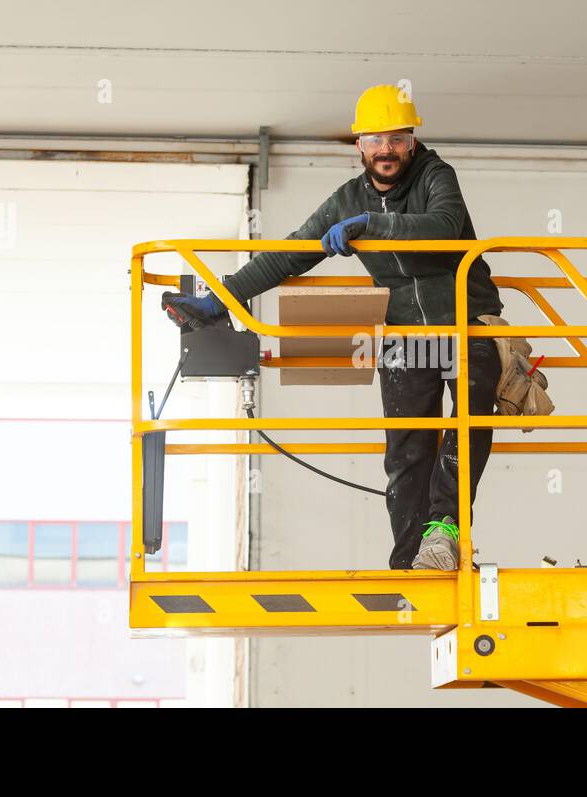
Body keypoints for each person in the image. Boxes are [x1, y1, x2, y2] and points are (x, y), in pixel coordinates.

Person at [171, 85, 503, 570]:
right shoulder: (348, 199)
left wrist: (372, 225)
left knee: (468, 420)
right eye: (375, 140)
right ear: (359, 147)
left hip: (465, 325)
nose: (385, 150)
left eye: (395, 139)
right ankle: (414, 559)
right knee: (406, 449)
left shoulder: (436, 176)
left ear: (412, 142)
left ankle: (444, 530)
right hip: (405, 334)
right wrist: (220, 301)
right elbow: (290, 254)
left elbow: (444, 225)